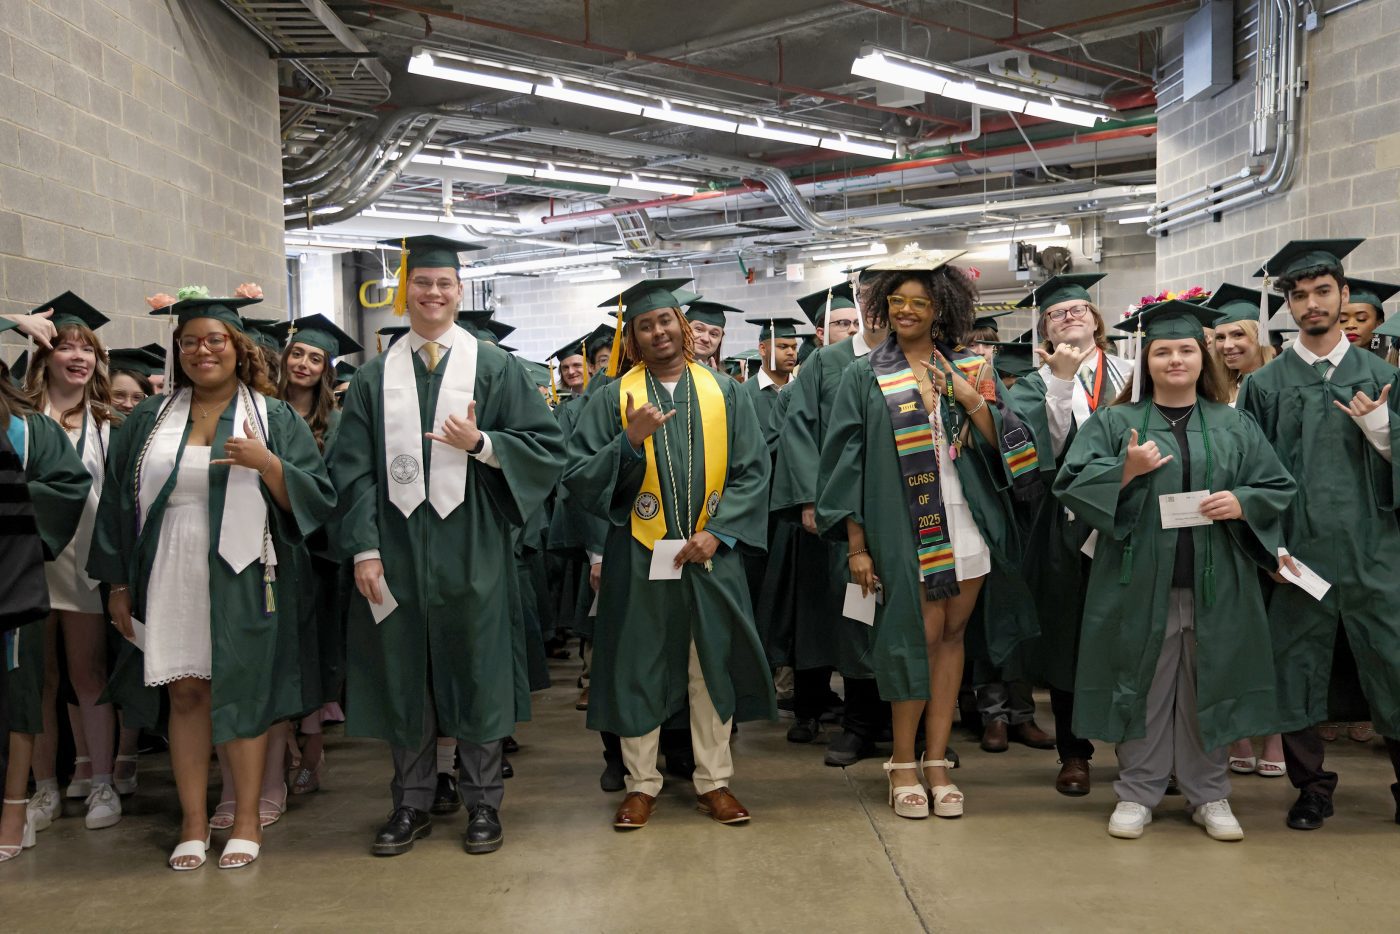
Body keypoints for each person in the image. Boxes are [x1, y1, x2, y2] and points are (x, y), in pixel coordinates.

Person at [329, 235, 565, 857]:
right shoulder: (375, 376)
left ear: (460, 292)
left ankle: (483, 802)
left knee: (478, 671)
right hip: (398, 545)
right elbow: (350, 470)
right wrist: (363, 549)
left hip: (473, 542)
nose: (433, 293)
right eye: (423, 283)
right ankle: (410, 802)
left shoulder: (494, 367)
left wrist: (484, 445)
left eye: (444, 284)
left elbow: (545, 446)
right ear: (406, 291)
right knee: (406, 673)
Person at [88, 291, 336, 871]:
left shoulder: (273, 417)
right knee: (188, 691)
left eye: (215, 340)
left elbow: (318, 498)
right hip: (169, 562)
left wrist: (268, 464)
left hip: (245, 565)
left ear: (237, 347)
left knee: (244, 691)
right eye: (191, 341)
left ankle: (246, 819)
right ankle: (194, 822)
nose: (203, 350)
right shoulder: (149, 418)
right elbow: (118, 510)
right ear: (179, 350)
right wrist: (118, 585)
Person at [1055, 300, 1296, 841]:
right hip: (1137, 580)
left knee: (1208, 682)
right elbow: (1069, 485)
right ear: (1147, 359)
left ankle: (1209, 793)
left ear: (1201, 356)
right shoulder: (1115, 421)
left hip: (1220, 579)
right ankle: (1137, 792)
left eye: (1186, 349)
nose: (1175, 359)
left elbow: (1276, 486)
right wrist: (1125, 470)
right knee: (1141, 684)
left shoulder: (1234, 421)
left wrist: (1241, 500)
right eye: (1162, 351)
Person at [817, 250, 1041, 820]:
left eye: (920, 302)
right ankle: (901, 761)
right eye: (898, 302)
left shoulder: (970, 367)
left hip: (966, 518)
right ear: (883, 307)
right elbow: (846, 462)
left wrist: (969, 399)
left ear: (941, 307)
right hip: (900, 524)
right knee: (914, 638)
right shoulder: (863, 374)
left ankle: (937, 761)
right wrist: (858, 545)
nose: (908, 311)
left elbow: (1008, 443)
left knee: (952, 638)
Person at [564, 278, 776, 830]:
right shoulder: (612, 397)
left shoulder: (725, 391)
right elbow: (581, 479)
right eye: (643, 325)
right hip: (639, 551)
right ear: (631, 337)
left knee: (709, 665)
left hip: (711, 554)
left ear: (681, 326)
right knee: (640, 664)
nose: (657, 331)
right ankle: (641, 784)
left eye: (665, 321)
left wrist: (721, 532)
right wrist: (627, 441)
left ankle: (714, 780)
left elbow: (753, 471)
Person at [1237, 239, 1400, 831]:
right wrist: (1267, 550)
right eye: (1300, 296)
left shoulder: (1383, 378)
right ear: (1289, 305)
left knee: (1393, 657)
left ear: (1345, 297)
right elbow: (1250, 473)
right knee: (1297, 667)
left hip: (1376, 549)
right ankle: (1312, 788)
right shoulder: (1264, 385)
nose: (1312, 305)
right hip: (1297, 555)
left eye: (1322, 292)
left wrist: (1381, 426)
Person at [1006, 273, 1131, 797]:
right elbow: (1038, 455)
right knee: (1069, 637)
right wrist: (1060, 383)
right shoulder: (1031, 385)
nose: (1071, 316)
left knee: (1132, 636)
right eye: (1058, 313)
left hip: (1128, 517)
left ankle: (1139, 752)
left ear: (1098, 322)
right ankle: (1074, 753)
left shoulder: (1130, 372)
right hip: (1064, 522)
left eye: (1081, 309)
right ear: (1044, 330)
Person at [773, 278, 893, 766]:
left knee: (906, 614)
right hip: (844, 508)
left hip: (906, 505)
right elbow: (799, 429)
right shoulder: (826, 362)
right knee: (856, 613)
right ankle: (860, 723)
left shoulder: (921, 357)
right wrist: (807, 498)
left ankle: (905, 723)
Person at [20, 295, 123, 833]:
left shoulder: (108, 425)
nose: (78, 356)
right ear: (44, 353)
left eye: (88, 348)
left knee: (89, 676)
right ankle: (45, 790)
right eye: (65, 346)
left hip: (85, 566)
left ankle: (102, 781)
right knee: (39, 682)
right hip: (27, 563)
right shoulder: (19, 418)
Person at [0, 348, 92, 865]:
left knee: (19, 692)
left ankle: (15, 807)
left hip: (12, 578)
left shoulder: (31, 429)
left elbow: (67, 486)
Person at [272, 314, 361, 799]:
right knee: (274, 652)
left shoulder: (338, 422)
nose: (304, 363)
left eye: (315, 358)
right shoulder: (259, 409)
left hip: (317, 556)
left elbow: (338, 491)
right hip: (267, 550)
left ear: (326, 369)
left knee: (311, 654)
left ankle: (310, 748)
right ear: (284, 359)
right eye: (298, 354)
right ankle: (280, 743)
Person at [1339, 277, 1398, 358]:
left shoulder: (1392, 363)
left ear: (1379, 324)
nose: (1350, 325)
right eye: (1342, 320)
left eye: (1361, 319)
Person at [686, 298, 737, 370]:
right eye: (699, 329)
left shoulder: (724, 380)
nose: (705, 339)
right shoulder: (666, 372)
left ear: (720, 339)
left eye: (713, 334)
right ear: (684, 329)